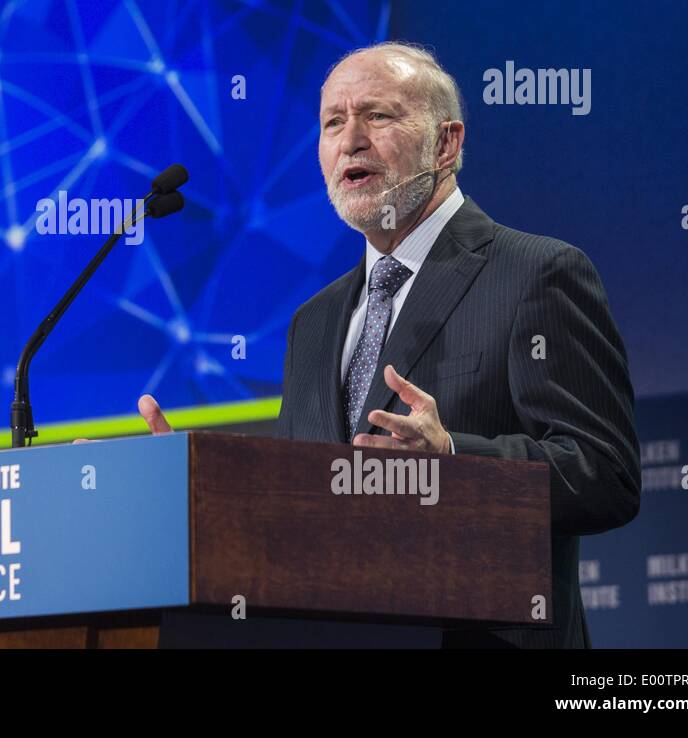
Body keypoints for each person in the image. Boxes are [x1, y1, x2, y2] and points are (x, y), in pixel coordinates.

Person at [137, 41, 640, 648]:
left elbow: (606, 474)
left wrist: (454, 457)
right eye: (332, 122)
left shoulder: (536, 273)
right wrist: (202, 498)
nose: (350, 139)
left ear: (447, 143)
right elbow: (305, 511)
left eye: (377, 115)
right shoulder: (314, 322)